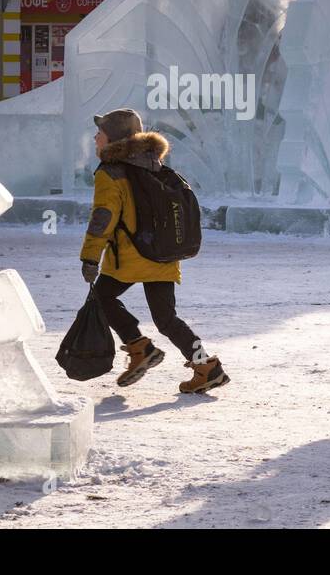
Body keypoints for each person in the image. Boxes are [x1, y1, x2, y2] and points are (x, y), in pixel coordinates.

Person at [79, 108, 228, 394]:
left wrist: (90, 256)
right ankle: (206, 365)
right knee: (166, 319)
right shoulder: (153, 163)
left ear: (113, 138)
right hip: (163, 252)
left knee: (100, 300)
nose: (96, 137)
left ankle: (139, 348)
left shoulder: (111, 172)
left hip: (133, 256)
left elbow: (103, 218)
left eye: (100, 132)